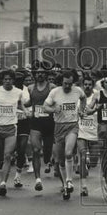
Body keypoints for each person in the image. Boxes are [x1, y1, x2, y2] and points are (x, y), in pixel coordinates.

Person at [0, 70, 30, 196]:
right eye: (5, 79)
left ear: (13, 80)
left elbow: (20, 105)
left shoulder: (18, 92)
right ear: (2, 80)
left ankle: (3, 183)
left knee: (7, 155)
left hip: (11, 127)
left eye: (10, 79)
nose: (7, 81)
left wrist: (25, 111)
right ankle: (1, 171)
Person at [43, 71, 87, 200]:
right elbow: (45, 107)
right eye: (65, 84)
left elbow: (83, 98)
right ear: (61, 82)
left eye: (70, 84)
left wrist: (81, 110)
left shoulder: (77, 90)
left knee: (69, 153)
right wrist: (53, 109)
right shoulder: (55, 92)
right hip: (58, 127)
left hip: (72, 126)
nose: (67, 86)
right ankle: (65, 184)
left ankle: (69, 180)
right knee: (60, 160)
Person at [28, 63, 57, 190]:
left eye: (42, 72)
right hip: (36, 123)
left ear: (46, 74)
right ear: (34, 74)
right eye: (37, 72)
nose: (40, 74)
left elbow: (57, 102)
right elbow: (28, 102)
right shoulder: (30, 88)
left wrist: (54, 109)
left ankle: (48, 160)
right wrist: (20, 107)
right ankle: (38, 179)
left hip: (50, 123)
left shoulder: (52, 87)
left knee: (47, 155)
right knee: (35, 150)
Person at [76, 76, 98, 196]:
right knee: (83, 158)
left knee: (94, 162)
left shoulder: (97, 97)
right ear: (82, 85)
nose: (87, 86)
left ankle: (90, 161)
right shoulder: (78, 98)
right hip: (81, 131)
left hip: (94, 132)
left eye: (90, 84)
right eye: (85, 84)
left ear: (92, 85)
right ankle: (83, 186)